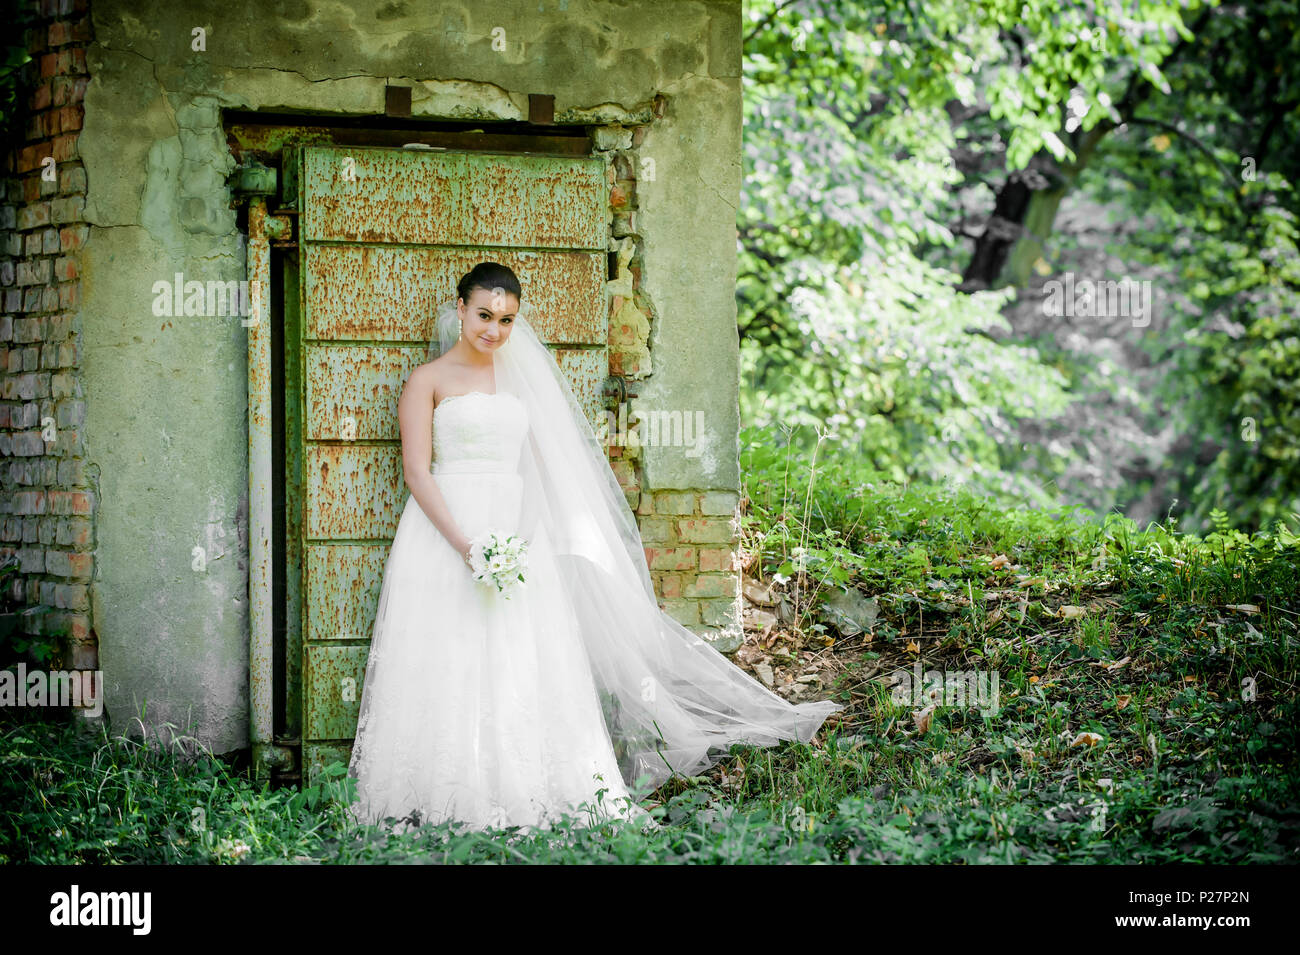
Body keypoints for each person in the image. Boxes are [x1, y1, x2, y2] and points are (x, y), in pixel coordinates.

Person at [346, 262, 842, 834]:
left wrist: (517, 542)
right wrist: (466, 545)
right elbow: (416, 472)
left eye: (506, 320)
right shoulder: (427, 381)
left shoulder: (519, 385)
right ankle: (439, 790)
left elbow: (535, 471)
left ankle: (521, 786)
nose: (494, 330)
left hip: (514, 538)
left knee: (519, 655)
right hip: (441, 533)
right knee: (444, 652)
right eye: (484, 315)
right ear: (460, 309)